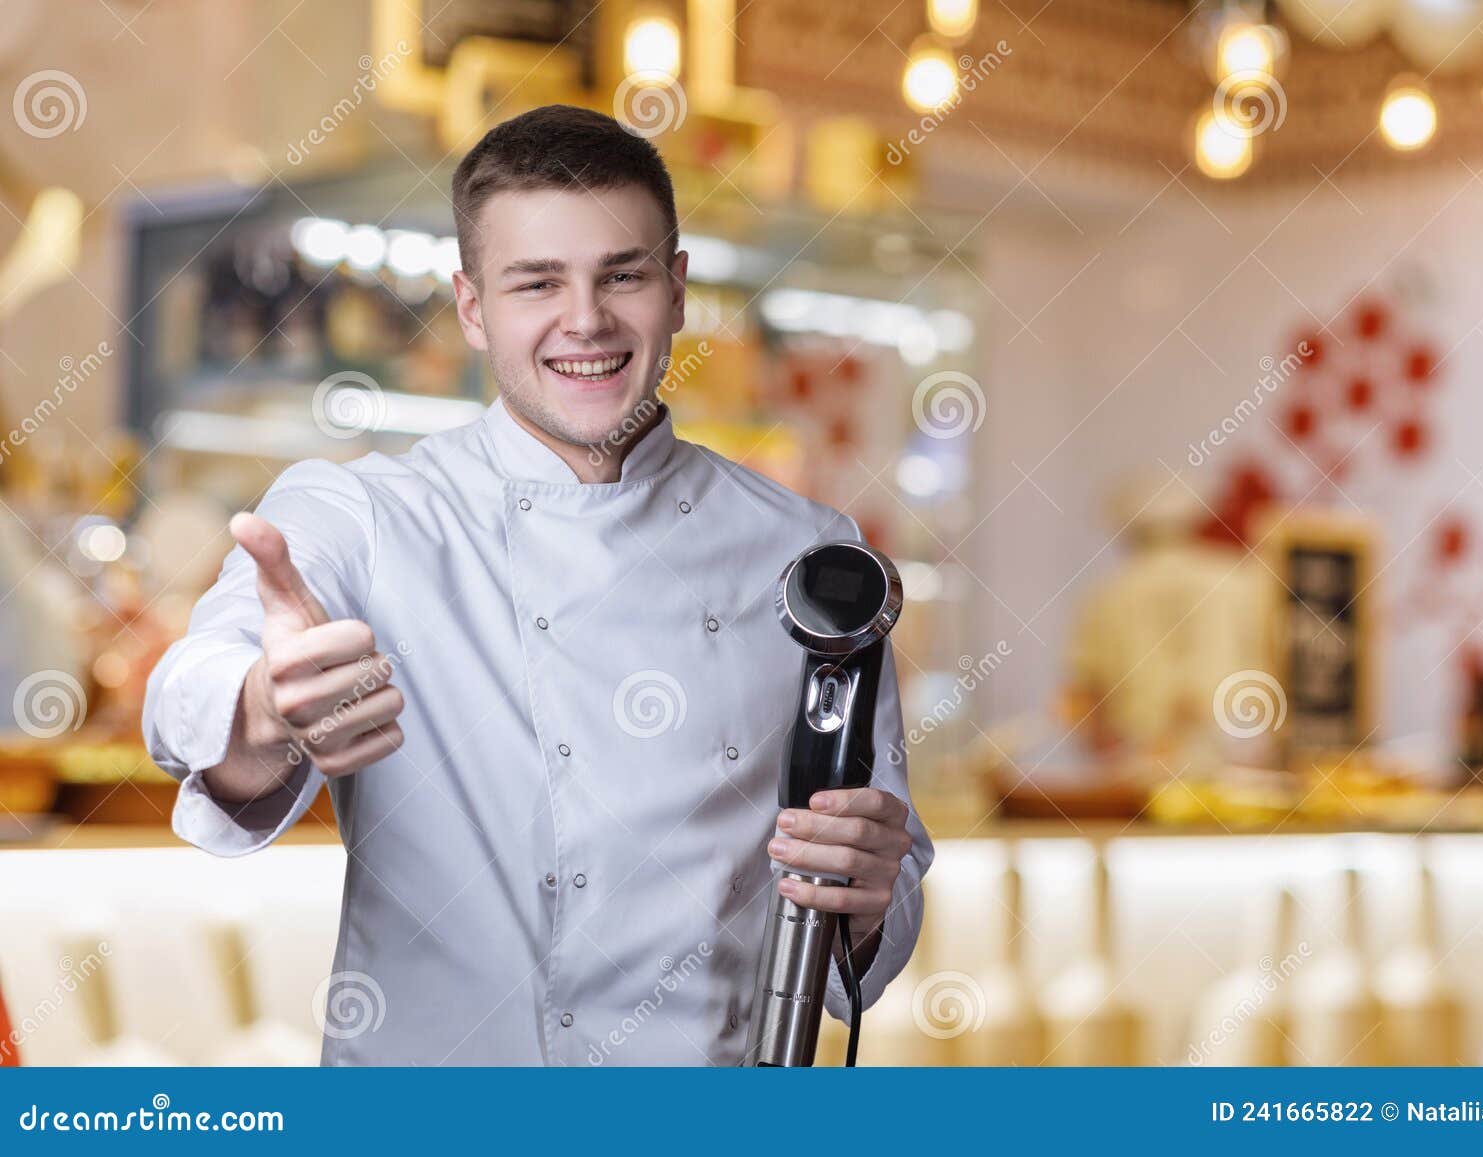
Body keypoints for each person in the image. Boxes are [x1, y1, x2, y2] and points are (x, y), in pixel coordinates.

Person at [142, 105, 933, 1066]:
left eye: (623, 275)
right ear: (472, 305)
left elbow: (881, 892)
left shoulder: (811, 555)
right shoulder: (366, 514)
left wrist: (870, 885)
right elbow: (195, 684)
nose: (587, 320)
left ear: (676, 289)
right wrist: (265, 706)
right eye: (536, 283)